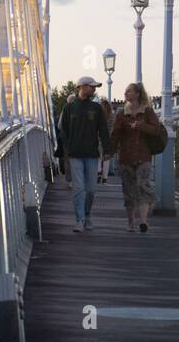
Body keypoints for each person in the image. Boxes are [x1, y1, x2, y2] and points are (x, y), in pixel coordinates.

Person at [57, 76, 111, 232]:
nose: (94, 89)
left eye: (95, 87)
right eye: (91, 87)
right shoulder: (69, 108)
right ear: (81, 87)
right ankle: (79, 220)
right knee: (79, 188)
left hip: (92, 154)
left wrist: (107, 150)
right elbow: (63, 130)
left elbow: (103, 130)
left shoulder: (96, 108)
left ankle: (87, 215)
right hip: (75, 154)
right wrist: (68, 148)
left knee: (92, 189)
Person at [109, 82, 162, 233]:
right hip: (126, 157)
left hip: (143, 156)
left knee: (142, 187)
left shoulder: (147, 111)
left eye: (129, 91)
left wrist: (140, 126)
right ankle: (130, 221)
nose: (126, 94)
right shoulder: (121, 113)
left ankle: (143, 222)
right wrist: (109, 152)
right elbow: (115, 135)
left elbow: (156, 130)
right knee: (128, 191)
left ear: (137, 94)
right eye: (125, 92)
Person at [97, 96, 115, 184]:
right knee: (107, 158)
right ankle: (105, 178)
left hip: (99, 138)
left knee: (99, 156)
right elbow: (112, 128)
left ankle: (99, 172)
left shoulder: (99, 115)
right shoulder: (112, 115)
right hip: (109, 138)